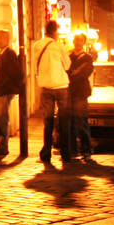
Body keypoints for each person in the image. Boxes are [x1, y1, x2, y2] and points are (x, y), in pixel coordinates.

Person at [32, 20, 72, 165]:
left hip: (46, 86)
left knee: (47, 121)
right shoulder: (58, 46)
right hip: (61, 86)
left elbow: (35, 64)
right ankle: (66, 153)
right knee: (64, 121)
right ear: (55, 32)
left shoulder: (36, 45)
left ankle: (46, 153)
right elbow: (67, 65)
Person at [0, 29, 22, 158]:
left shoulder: (9, 53)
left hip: (4, 91)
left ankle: (3, 146)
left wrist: (8, 88)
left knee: (2, 118)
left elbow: (15, 73)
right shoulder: (1, 53)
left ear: (6, 39)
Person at [68, 32, 96, 164]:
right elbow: (66, 71)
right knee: (71, 123)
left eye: (80, 40)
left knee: (82, 123)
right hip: (69, 93)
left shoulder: (87, 58)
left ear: (83, 43)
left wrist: (74, 73)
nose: (77, 42)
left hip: (81, 93)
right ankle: (73, 151)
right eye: (75, 40)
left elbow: (85, 72)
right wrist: (74, 73)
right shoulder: (69, 56)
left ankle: (87, 150)